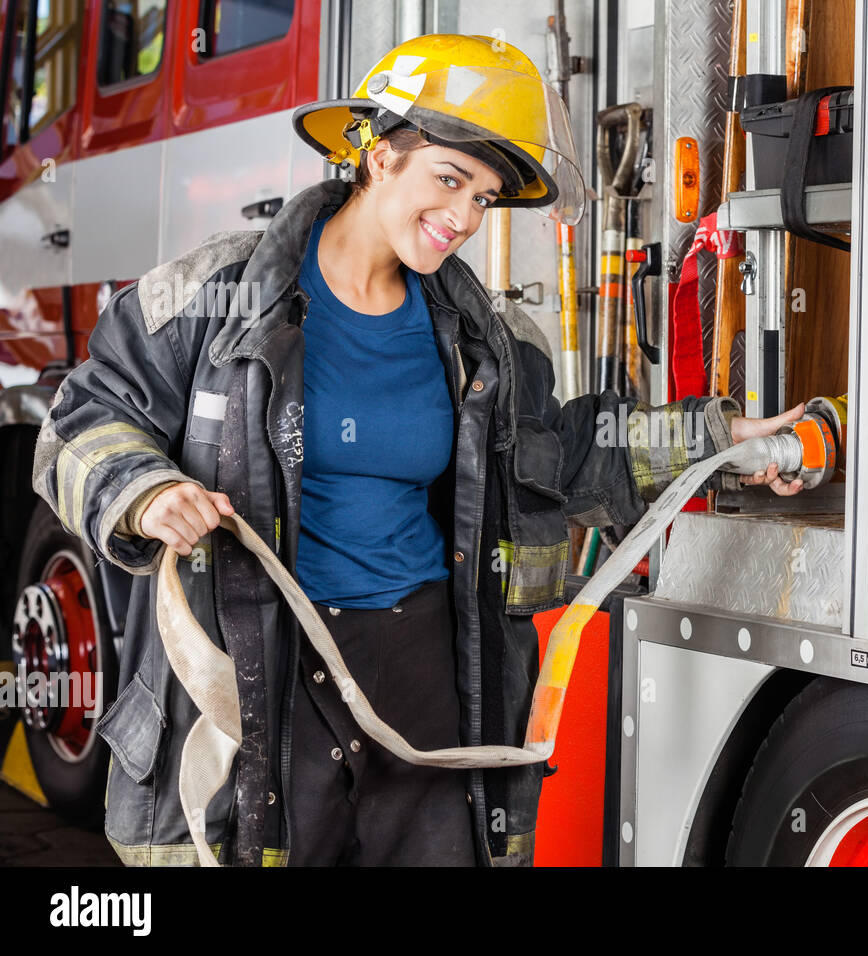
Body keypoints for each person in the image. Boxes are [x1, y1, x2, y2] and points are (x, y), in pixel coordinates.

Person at [31, 34, 806, 867]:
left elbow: (563, 460)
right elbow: (81, 417)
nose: (466, 217)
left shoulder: (488, 340)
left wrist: (716, 437)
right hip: (264, 677)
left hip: (424, 681)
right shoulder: (216, 299)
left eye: (485, 196)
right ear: (376, 154)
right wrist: (144, 489)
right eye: (449, 179)